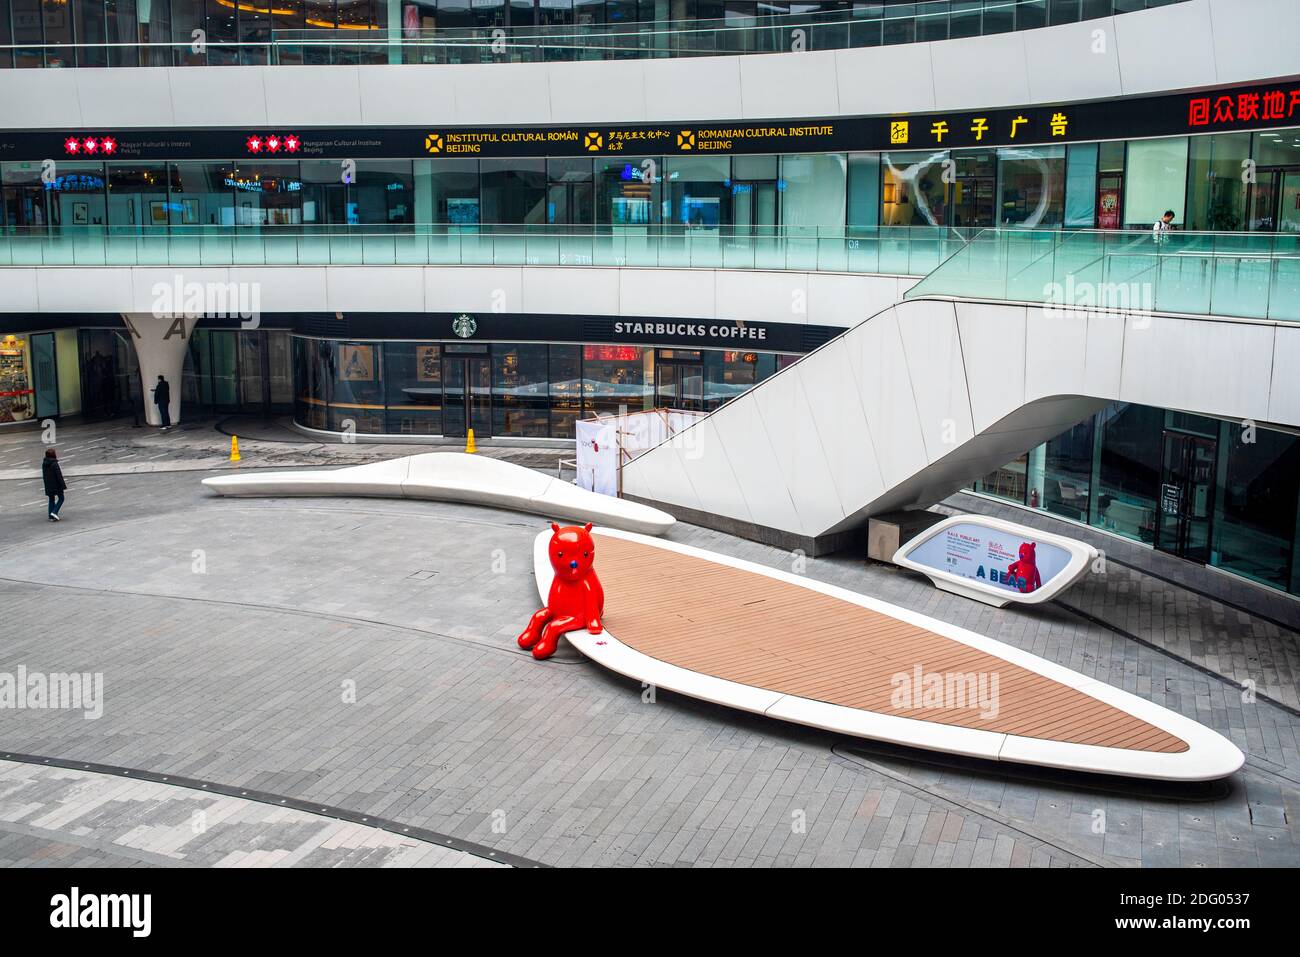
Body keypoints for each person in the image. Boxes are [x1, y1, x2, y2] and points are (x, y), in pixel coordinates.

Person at [42, 448, 67, 522]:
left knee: (51, 499)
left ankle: (51, 516)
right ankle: (54, 512)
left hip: (48, 485)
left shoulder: (44, 464)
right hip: (56, 485)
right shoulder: (54, 463)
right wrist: (63, 485)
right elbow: (58, 475)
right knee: (61, 498)